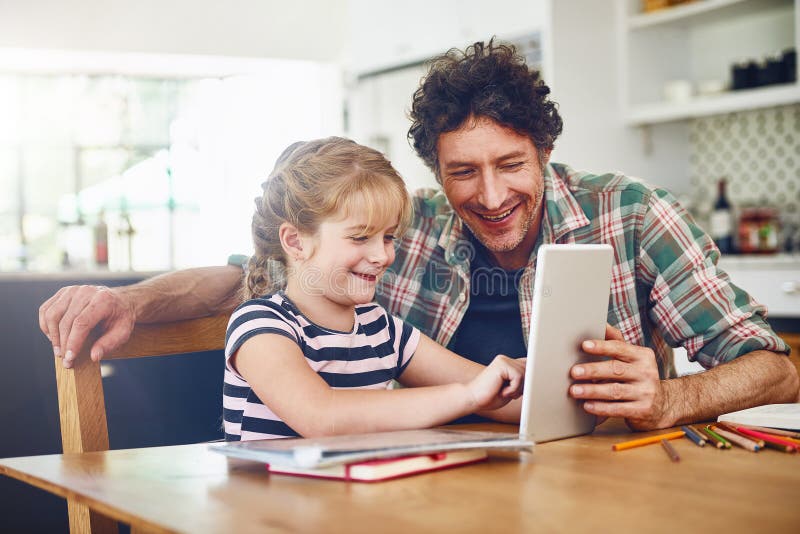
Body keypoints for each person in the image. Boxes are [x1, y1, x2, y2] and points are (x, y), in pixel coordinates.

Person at [40, 40, 799, 432]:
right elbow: (246, 277)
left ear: (544, 150)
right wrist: (135, 301)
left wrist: (669, 396)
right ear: (435, 169)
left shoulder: (634, 215)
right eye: (463, 171)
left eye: (511, 164)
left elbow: (776, 368)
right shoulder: (402, 231)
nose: (492, 195)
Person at [228, 137, 524, 439]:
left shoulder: (382, 329)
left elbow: (499, 396)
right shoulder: (261, 324)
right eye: (359, 238)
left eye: (388, 237)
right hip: (275, 488)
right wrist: (469, 395)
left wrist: (520, 379)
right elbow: (322, 416)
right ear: (295, 241)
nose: (382, 256)